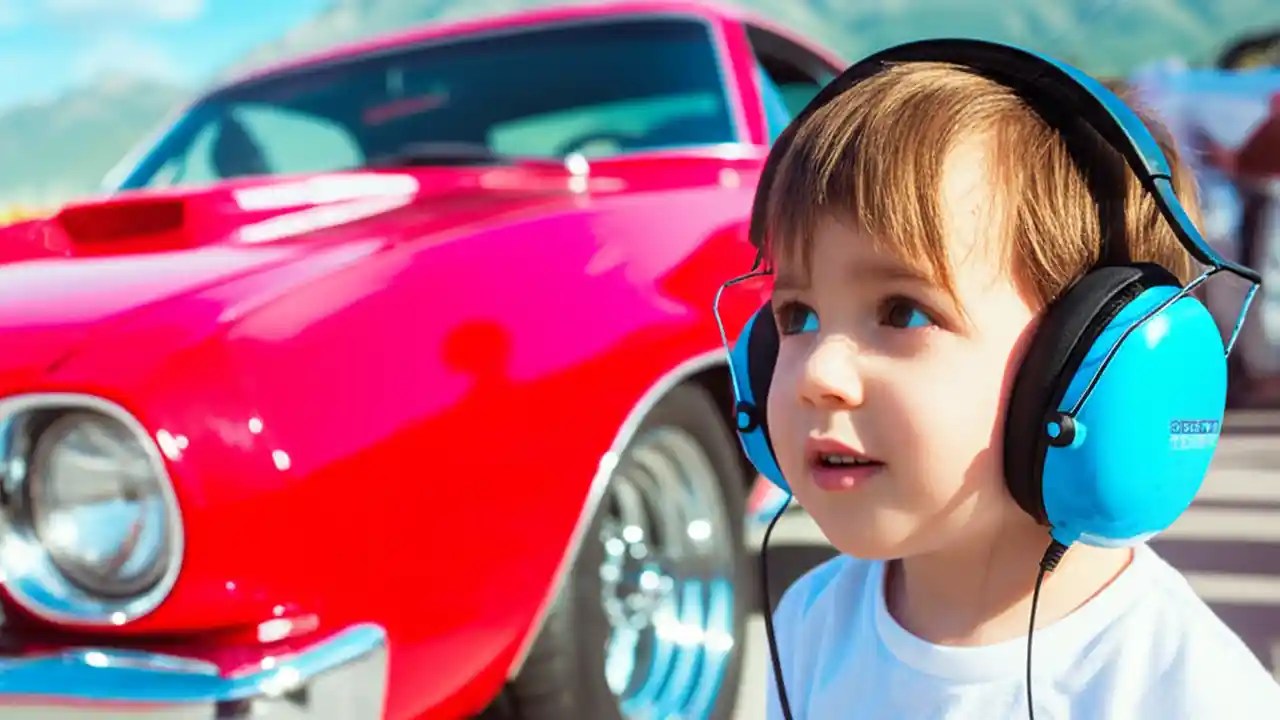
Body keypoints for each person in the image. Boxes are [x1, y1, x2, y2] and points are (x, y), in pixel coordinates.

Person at [751, 57, 1280, 718]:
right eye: (796, 318)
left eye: (903, 312)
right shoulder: (811, 622)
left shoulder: (1189, 694)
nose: (816, 375)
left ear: (1092, 366)